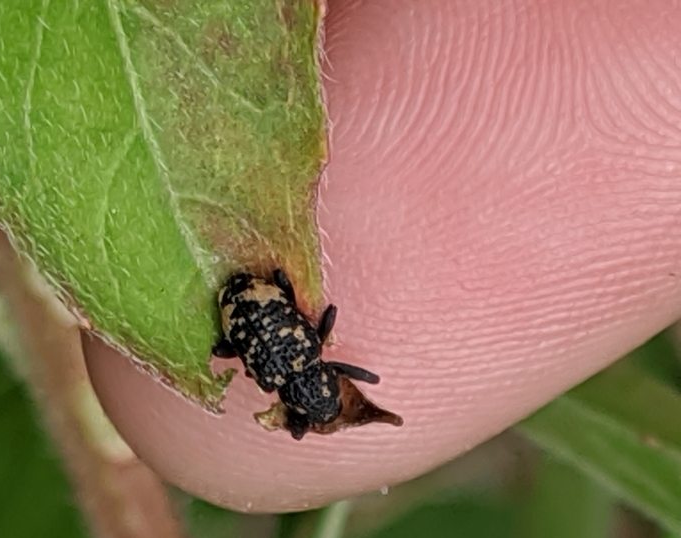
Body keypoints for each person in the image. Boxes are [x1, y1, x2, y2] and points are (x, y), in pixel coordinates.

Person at [85, 0, 681, 511]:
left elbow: (317, 317)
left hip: (260, 301)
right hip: (245, 309)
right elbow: (252, 342)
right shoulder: (271, 375)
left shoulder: (308, 350)